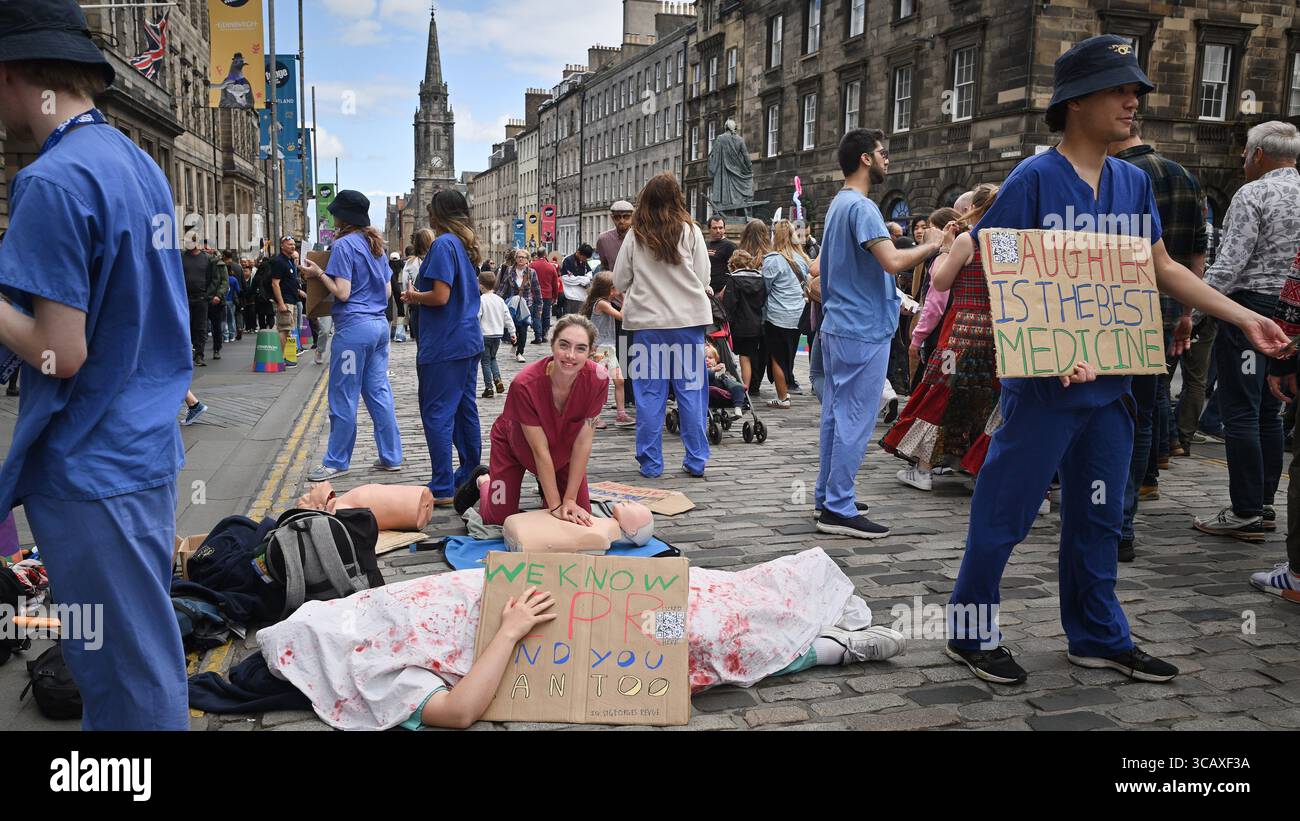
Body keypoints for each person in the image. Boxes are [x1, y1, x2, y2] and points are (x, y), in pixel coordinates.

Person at [944, 35, 1290, 687]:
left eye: (1136, 90)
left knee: (1100, 513)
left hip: (1111, 386)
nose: (1135, 100)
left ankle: (1097, 634)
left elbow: (1160, 267)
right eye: (1120, 89)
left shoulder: (1132, 182)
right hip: (1044, 388)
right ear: (1076, 101)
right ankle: (969, 631)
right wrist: (1051, 341)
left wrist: (1243, 314)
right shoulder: (1033, 179)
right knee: (1005, 512)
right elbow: (998, 263)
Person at [0, 0, 192, 729]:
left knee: (123, 676)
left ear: (11, 72)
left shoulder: (50, 182)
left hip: (88, 465)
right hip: (138, 448)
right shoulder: (136, 165)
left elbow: (61, 348)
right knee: (132, 658)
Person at [258, 546, 905, 730]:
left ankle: (803, 614)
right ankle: (829, 646)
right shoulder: (377, 683)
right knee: (702, 639)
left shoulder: (359, 612)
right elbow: (457, 712)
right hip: (566, 636)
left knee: (714, 595)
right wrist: (509, 631)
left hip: (583, 591)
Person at [815, 129, 943, 540]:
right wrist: (932, 245)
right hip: (861, 329)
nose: (888, 159)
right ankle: (837, 506)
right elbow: (891, 261)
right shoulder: (864, 207)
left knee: (837, 417)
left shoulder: (839, 204)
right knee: (854, 419)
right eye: (883, 153)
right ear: (866, 159)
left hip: (839, 326)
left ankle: (829, 496)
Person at [1192, 121, 1300, 541]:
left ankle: (1246, 510)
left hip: (1251, 306)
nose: (1241, 162)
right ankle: (1266, 502)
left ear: (1257, 155)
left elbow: (1231, 261)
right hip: (1291, 309)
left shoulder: (1253, 193)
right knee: (1270, 409)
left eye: (1244, 155)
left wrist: (1197, 310)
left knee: (1239, 409)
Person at [1110, 121, 1209, 562]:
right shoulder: (1185, 176)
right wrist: (1188, 314)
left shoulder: (1114, 175)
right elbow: (1195, 254)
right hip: (1166, 310)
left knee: (1109, 416)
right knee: (1143, 413)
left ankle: (1109, 518)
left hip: (1110, 311)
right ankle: (1124, 520)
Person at [883, 187, 1000, 491]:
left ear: (973, 208)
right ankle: (975, 467)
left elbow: (940, 281)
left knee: (941, 393)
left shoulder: (967, 240)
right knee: (986, 398)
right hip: (996, 333)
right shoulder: (1003, 240)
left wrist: (947, 248)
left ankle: (922, 469)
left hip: (960, 332)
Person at [452, 315, 607, 525]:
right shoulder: (524, 384)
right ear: (552, 345)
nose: (570, 355)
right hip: (514, 446)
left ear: (591, 352)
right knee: (497, 519)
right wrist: (555, 506)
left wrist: (569, 500)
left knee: (577, 515)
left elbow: (583, 442)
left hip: (563, 449)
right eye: (564, 345)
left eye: (580, 348)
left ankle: (550, 487)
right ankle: (484, 480)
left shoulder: (599, 379)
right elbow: (539, 450)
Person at [614, 173, 713, 479]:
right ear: (676, 197)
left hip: (648, 324)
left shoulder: (636, 234)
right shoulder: (691, 231)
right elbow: (704, 278)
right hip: (688, 321)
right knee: (692, 392)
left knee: (649, 395)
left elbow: (619, 280)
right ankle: (696, 459)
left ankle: (651, 462)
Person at [300, 190, 403, 483]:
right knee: (378, 392)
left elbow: (342, 292)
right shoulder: (377, 247)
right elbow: (385, 292)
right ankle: (391, 457)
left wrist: (319, 273)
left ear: (342, 217)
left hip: (353, 332)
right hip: (379, 328)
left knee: (343, 395)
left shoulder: (344, 245)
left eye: (335, 214)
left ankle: (336, 461)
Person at [402, 189, 483, 506]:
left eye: (429, 208)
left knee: (436, 413)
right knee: (465, 411)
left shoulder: (443, 244)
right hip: (466, 339)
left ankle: (442, 484)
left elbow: (440, 296)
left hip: (444, 343)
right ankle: (470, 475)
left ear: (438, 213)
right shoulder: (461, 245)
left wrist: (413, 296)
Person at [760, 220, 811, 410]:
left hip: (777, 315)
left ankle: (782, 397)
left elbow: (765, 287)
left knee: (777, 358)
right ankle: (786, 390)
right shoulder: (801, 257)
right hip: (797, 315)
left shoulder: (773, 259)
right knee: (788, 355)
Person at [582, 272, 633, 428]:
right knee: (599, 384)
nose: (616, 291)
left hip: (608, 349)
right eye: (614, 288)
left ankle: (621, 415)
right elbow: (621, 316)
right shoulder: (602, 303)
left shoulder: (604, 301)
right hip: (601, 350)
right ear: (606, 289)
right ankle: (593, 416)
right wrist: (625, 299)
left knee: (619, 381)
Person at [719, 250, 766, 394]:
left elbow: (729, 305)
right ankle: (750, 387)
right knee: (749, 356)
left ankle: (741, 389)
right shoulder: (760, 278)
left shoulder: (733, 280)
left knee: (739, 357)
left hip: (739, 325)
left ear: (733, 264)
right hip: (757, 323)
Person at [736, 219, 772, 395]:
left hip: (745, 313)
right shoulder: (770, 256)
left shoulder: (741, 255)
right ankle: (756, 381)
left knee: (747, 351)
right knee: (762, 348)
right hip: (765, 310)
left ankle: (749, 383)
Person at [496, 248, 541, 362]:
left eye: (523, 257)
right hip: (512, 304)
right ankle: (514, 343)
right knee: (513, 328)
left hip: (526, 303)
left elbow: (536, 289)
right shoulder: (510, 270)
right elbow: (503, 287)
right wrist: (496, 300)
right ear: (515, 259)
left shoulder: (531, 272)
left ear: (527, 260)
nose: (520, 259)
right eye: (518, 257)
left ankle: (520, 352)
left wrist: (539, 306)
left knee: (523, 328)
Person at [269, 236, 305, 368]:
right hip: (286, 301)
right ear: (282, 245)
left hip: (293, 300)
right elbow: (275, 284)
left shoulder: (290, 261)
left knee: (288, 330)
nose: (293, 246)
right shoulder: (279, 261)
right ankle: (278, 359)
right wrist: (281, 303)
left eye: (294, 244)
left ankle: (283, 357)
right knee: (283, 330)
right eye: (289, 244)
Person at [476, 270, 511, 399]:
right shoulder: (500, 300)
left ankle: (489, 387)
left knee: (485, 361)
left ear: (481, 286)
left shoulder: (481, 300)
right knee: (493, 358)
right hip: (497, 335)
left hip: (485, 335)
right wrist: (512, 332)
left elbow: (477, 316)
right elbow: (507, 316)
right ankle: (498, 379)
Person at [406, 229, 434, 345]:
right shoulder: (435, 259)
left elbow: (405, 284)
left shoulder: (409, 263)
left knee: (421, 348)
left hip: (416, 308)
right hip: (432, 308)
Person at [706, 342, 746, 417]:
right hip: (708, 387)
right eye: (704, 358)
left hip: (722, 386)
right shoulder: (698, 370)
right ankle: (717, 376)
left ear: (716, 360)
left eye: (710, 358)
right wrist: (713, 370)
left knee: (736, 385)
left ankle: (738, 407)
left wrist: (724, 374)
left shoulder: (718, 367)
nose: (707, 360)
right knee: (706, 374)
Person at [595, 200, 634, 277]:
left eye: (626, 217)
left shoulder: (640, 238)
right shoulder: (603, 239)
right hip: (614, 285)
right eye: (617, 217)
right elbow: (604, 267)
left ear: (632, 217)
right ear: (612, 218)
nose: (622, 221)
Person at [530, 249, 562, 342]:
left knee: (536, 315)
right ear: (545, 254)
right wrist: (555, 296)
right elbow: (555, 283)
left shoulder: (532, 265)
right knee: (546, 315)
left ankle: (538, 335)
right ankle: (544, 334)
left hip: (534, 294)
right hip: (547, 294)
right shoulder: (550, 267)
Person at [706, 215, 738, 294]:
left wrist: (725, 290)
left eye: (720, 228)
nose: (718, 230)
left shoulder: (730, 246)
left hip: (722, 291)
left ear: (724, 229)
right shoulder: (705, 245)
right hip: (707, 289)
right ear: (709, 229)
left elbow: (736, 271)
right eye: (714, 228)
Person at [560, 244, 594, 316]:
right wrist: (582, 279)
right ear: (578, 252)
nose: (585, 260)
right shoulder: (568, 260)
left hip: (583, 296)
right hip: (572, 296)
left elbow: (589, 274)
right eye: (584, 257)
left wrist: (582, 279)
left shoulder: (584, 262)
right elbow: (567, 279)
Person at [222, 250, 241, 343]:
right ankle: (232, 335)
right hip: (231, 301)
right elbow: (238, 290)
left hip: (223, 300)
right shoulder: (233, 279)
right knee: (231, 318)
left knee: (223, 319)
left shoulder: (223, 279)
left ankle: (225, 336)